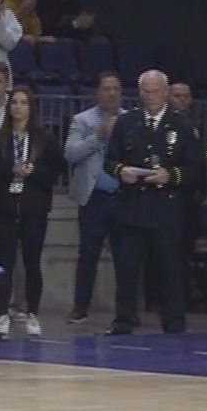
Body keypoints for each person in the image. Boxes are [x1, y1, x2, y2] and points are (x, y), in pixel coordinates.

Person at [104, 69, 198, 336]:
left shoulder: (182, 126)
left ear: (166, 93)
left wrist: (170, 176)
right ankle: (123, 320)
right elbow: (110, 160)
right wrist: (120, 171)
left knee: (169, 270)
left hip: (165, 208)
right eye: (146, 91)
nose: (151, 96)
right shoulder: (126, 122)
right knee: (127, 269)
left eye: (156, 91)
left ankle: (174, 323)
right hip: (132, 206)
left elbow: (195, 170)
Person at [0, 85, 61, 338]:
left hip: (33, 208)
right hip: (4, 207)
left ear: (31, 107)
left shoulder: (44, 138)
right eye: (13, 102)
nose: (17, 107)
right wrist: (10, 170)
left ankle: (32, 314)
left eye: (23, 102)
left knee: (31, 262)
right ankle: (2, 313)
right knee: (4, 262)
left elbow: (54, 173)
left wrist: (33, 172)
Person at [63, 71, 122, 325]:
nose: (111, 94)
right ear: (97, 92)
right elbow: (71, 154)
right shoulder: (81, 120)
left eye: (116, 89)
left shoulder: (131, 120)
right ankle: (80, 307)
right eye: (106, 89)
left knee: (126, 256)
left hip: (123, 198)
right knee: (88, 254)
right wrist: (98, 136)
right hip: (93, 198)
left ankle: (126, 310)